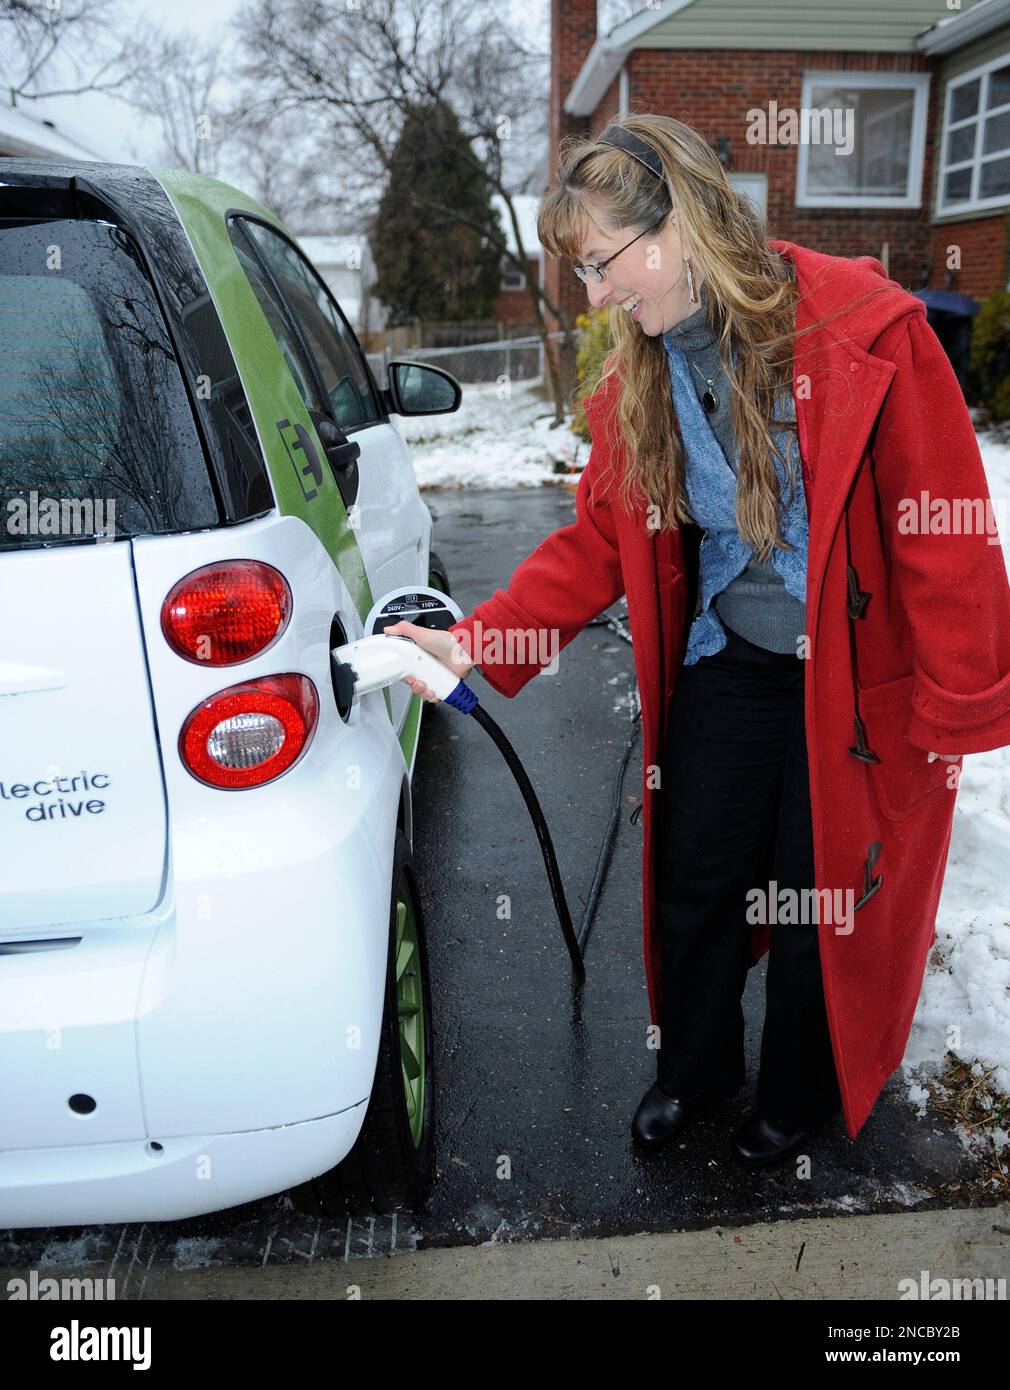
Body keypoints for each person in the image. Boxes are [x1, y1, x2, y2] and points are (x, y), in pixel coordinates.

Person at [381, 114, 1010, 1169]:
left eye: (600, 263)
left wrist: (957, 704)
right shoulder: (645, 375)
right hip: (733, 660)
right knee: (695, 874)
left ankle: (797, 1093)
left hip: (849, 684)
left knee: (821, 900)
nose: (594, 296)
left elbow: (940, 523)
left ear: (678, 223)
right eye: (580, 272)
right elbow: (595, 537)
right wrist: (474, 643)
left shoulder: (861, 329)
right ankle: (695, 1070)